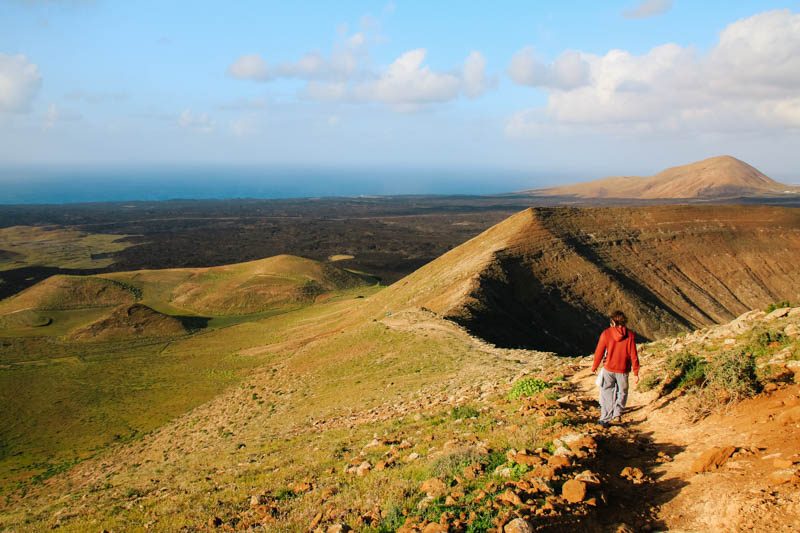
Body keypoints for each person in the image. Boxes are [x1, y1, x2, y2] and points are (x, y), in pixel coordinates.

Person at [592, 310, 640, 427]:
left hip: (609, 368)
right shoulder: (630, 335)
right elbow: (633, 355)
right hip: (623, 370)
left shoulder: (606, 333)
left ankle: (605, 419)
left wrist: (595, 366)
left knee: (607, 392)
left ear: (613, 322)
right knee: (622, 392)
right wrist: (636, 372)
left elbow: (599, 351)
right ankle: (617, 413)